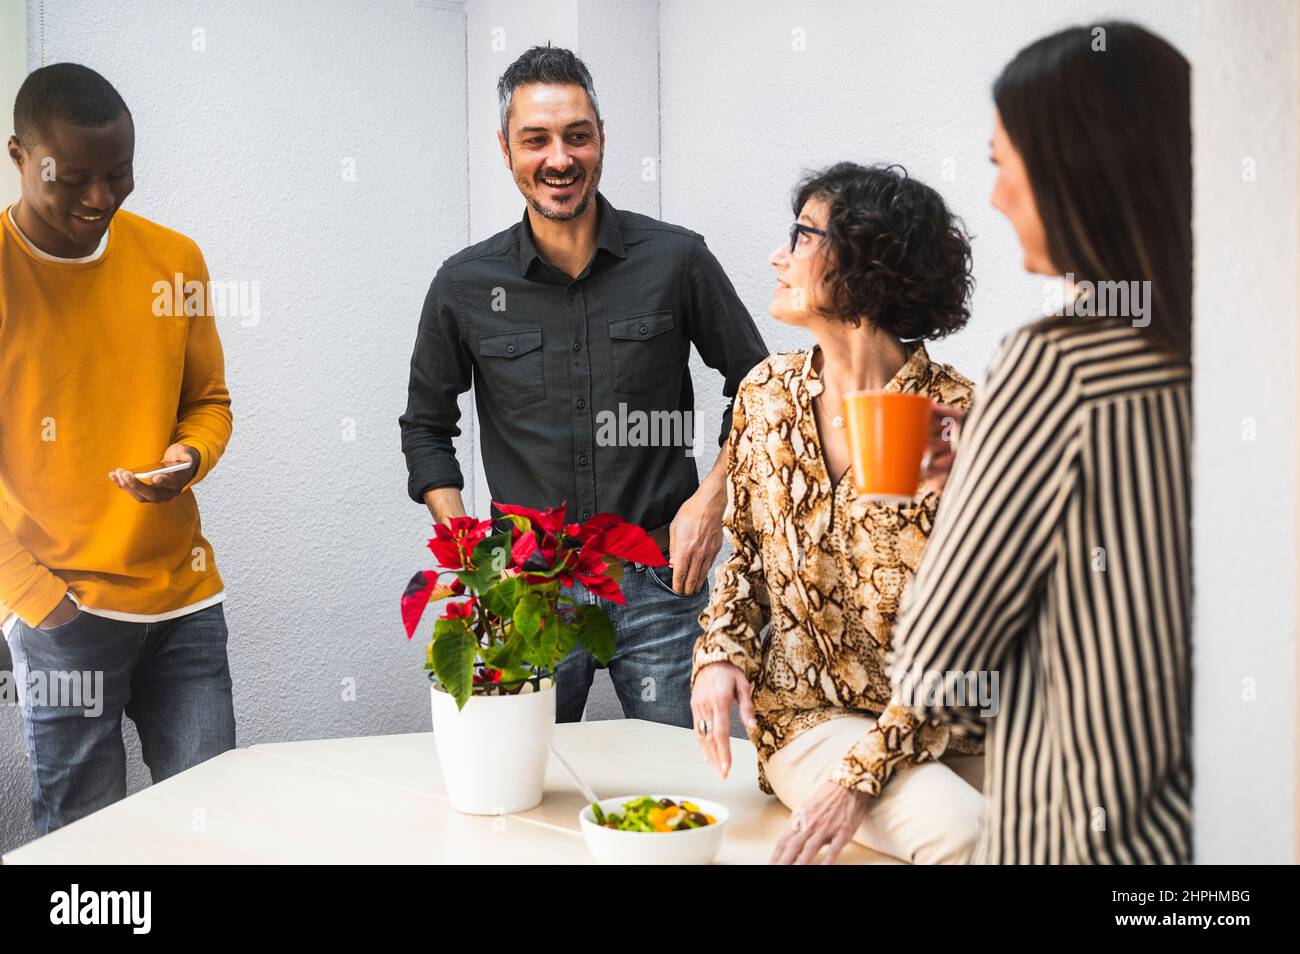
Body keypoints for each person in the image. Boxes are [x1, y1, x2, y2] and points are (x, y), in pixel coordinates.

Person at [890, 22, 1194, 864]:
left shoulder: (1052, 366)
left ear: (1075, 170)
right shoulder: (1235, 351)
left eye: (1000, 162)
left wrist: (963, 505)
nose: (993, 197)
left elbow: (939, 673)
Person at [399, 45, 767, 728]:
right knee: (520, 788)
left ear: (600, 139)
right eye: (536, 140)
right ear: (506, 149)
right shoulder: (465, 284)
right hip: (527, 587)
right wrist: (475, 559)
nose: (559, 158)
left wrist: (714, 499)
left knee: (685, 782)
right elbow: (425, 426)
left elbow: (757, 384)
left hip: (663, 580)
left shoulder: (677, 260)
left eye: (577, 135)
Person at [690, 162, 983, 864]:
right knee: (971, 833)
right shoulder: (769, 395)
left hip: (946, 721)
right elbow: (749, 556)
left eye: (802, 237)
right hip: (812, 718)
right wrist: (719, 653)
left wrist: (866, 774)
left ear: (865, 265)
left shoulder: (942, 419)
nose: (778, 256)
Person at [1, 63, 236, 834]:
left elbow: (207, 404)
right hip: (62, 609)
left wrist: (188, 460)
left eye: (120, 174)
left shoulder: (176, 260)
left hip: (183, 605)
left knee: (212, 827)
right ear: (19, 156)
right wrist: (39, 604)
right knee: (81, 838)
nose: (100, 198)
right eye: (74, 178)